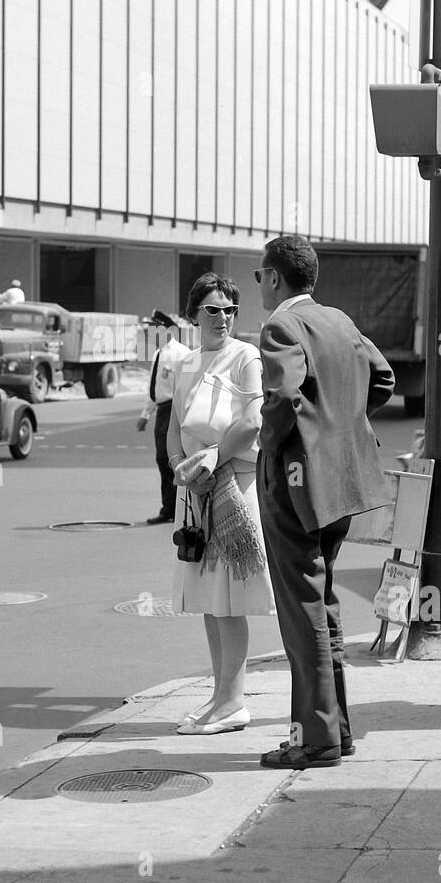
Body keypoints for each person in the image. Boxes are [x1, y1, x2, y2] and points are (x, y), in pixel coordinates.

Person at [254, 236, 395, 768]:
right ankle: (336, 732)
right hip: (341, 484)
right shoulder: (339, 320)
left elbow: (283, 396)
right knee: (323, 606)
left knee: (303, 613)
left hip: (296, 482)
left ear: (273, 277)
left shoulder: (282, 326)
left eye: (258, 277)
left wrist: (275, 443)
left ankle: (316, 740)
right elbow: (382, 379)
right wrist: (340, 425)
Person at [167, 273, 276, 735]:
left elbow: (253, 421)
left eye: (230, 309)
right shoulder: (186, 362)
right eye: (213, 309)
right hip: (195, 489)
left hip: (233, 484)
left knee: (230, 599)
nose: (223, 318)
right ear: (193, 314)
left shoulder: (246, 356)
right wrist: (179, 467)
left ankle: (234, 702)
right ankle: (220, 696)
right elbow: (174, 425)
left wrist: (214, 458)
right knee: (212, 600)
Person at [138, 310, 190, 524]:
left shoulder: (182, 354)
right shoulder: (158, 354)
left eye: (154, 328)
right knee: (162, 459)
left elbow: (189, 387)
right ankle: (170, 507)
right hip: (162, 411)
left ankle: (176, 508)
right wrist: (145, 414)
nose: (150, 333)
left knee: (171, 459)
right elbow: (156, 389)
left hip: (175, 410)